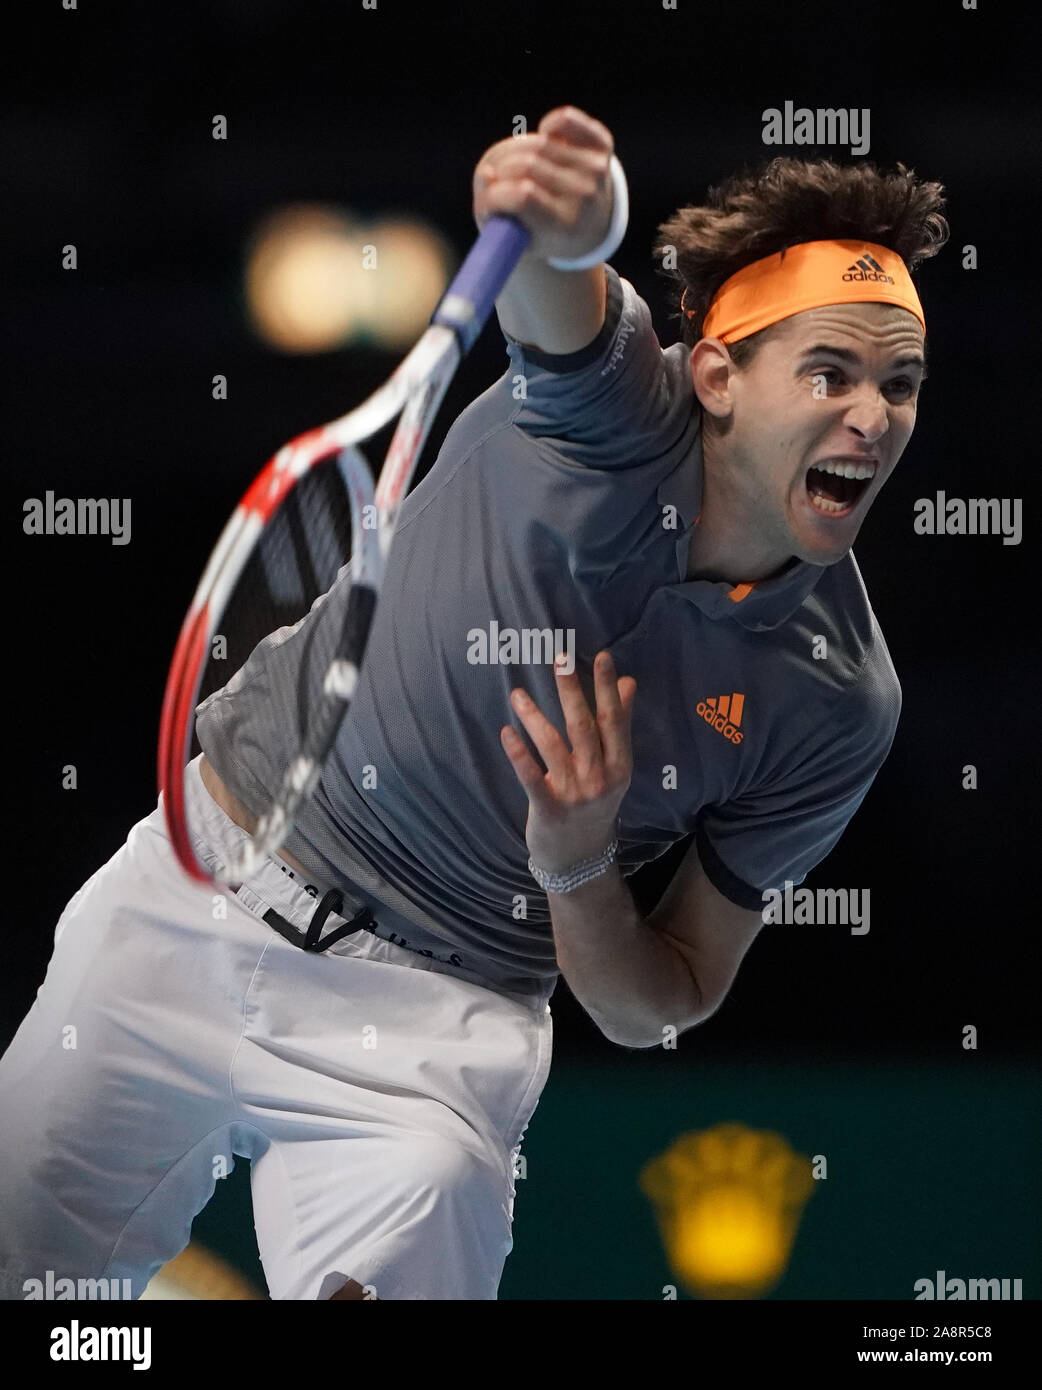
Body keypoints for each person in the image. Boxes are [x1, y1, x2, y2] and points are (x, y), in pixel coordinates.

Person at [0, 106, 947, 1301]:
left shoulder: (834, 699)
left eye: (900, 383)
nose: (873, 415)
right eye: (831, 371)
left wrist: (576, 862)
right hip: (201, 894)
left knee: (421, 1227)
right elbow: (562, 284)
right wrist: (579, 213)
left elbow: (662, 1001)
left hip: (436, 1024)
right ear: (715, 374)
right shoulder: (616, 414)